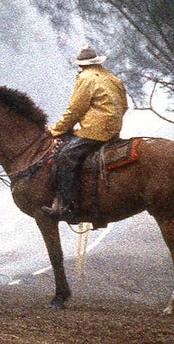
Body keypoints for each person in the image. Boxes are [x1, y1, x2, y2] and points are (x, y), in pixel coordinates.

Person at [42, 45, 128, 220]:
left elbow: (75, 109)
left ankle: (66, 205)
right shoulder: (112, 78)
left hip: (95, 131)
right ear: (96, 62)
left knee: (65, 155)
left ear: (81, 65)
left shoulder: (85, 78)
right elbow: (124, 105)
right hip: (113, 129)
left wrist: (56, 129)